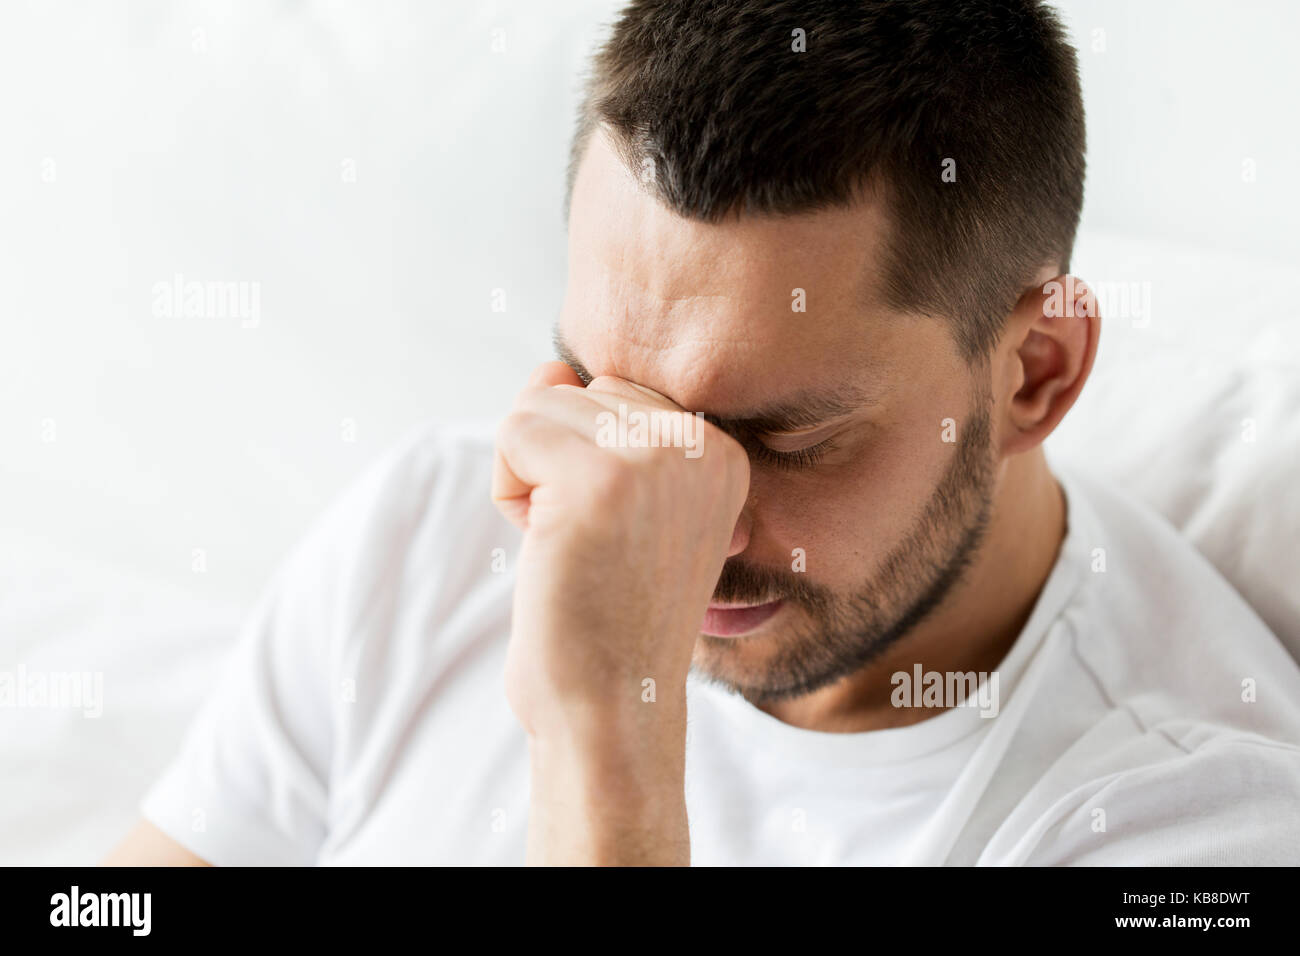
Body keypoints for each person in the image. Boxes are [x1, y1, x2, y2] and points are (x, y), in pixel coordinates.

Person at [106, 0, 1300, 866]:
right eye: (605, 386)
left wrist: (603, 744)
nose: (663, 507)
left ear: (1036, 372)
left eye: (782, 436)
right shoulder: (421, 536)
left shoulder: (1188, 824)